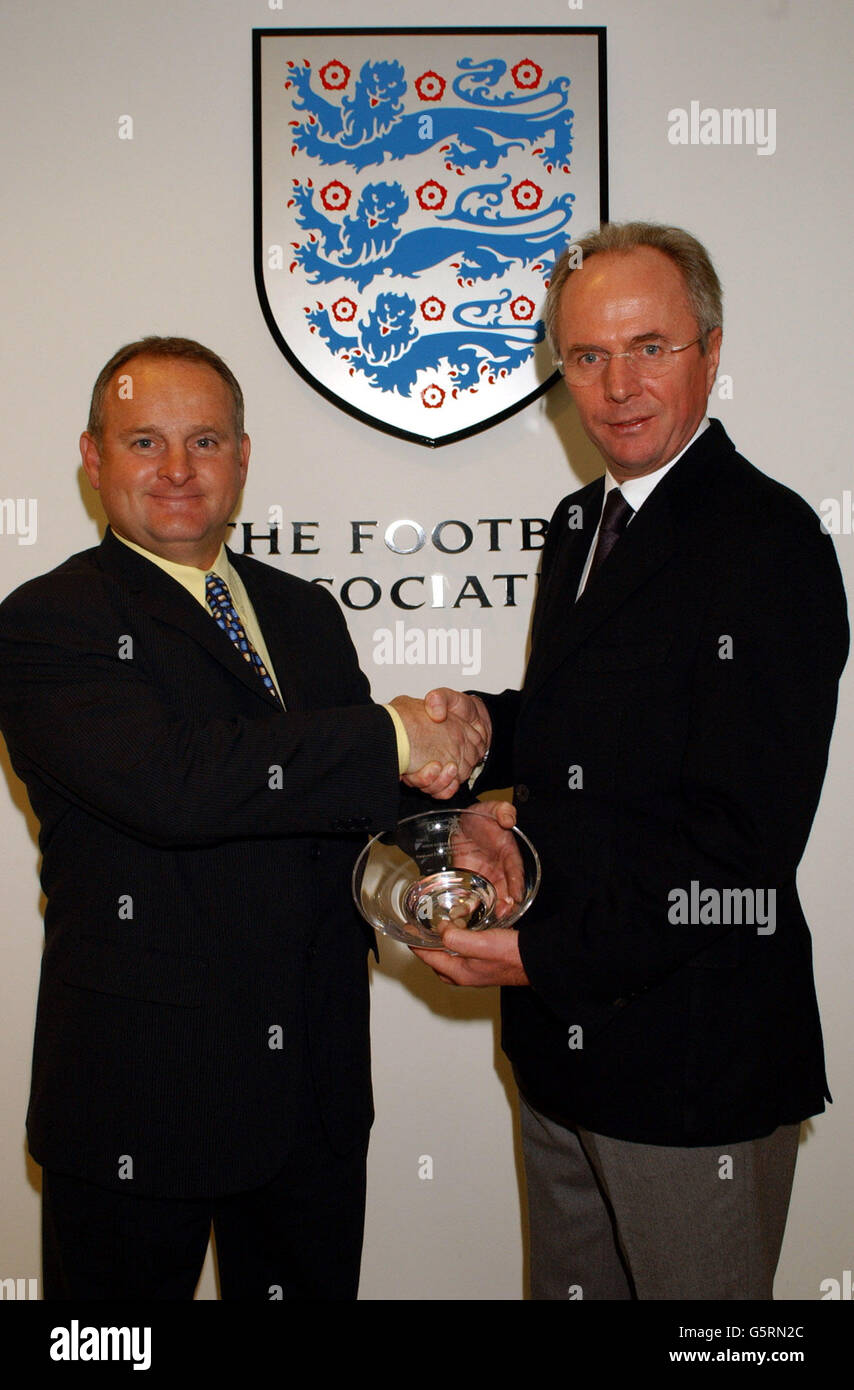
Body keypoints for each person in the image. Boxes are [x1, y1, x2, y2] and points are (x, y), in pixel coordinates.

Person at [0, 336, 493, 1301]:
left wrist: (463, 770)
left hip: (311, 1088)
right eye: (145, 442)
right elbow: (174, 784)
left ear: (244, 458)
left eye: (206, 441)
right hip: (142, 1100)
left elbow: (339, 795)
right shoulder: (49, 619)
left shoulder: (303, 612)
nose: (179, 470)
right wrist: (391, 738)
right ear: (93, 459)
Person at [408, 223, 849, 1299]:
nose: (616, 386)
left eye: (648, 346)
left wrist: (537, 956)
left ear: (708, 348)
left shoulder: (770, 541)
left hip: (692, 1065)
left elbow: (738, 858)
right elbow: (590, 728)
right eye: (587, 357)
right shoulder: (580, 521)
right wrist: (477, 730)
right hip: (561, 1058)